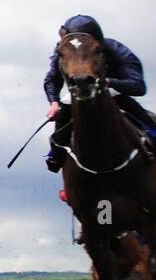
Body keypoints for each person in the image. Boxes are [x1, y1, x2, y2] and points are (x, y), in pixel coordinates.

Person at [44, 14, 151, 173]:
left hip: (113, 92)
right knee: (60, 127)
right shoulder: (63, 49)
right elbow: (52, 78)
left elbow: (138, 86)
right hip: (77, 94)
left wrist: (107, 82)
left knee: (149, 125)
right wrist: (53, 102)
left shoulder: (115, 48)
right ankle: (57, 155)